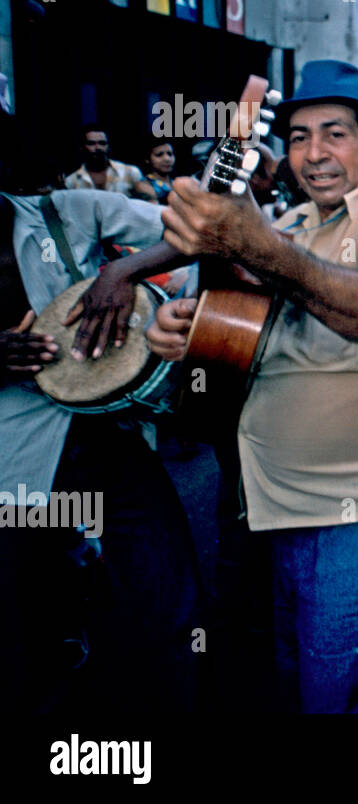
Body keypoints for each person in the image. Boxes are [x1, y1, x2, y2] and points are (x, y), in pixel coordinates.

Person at [145, 59, 358, 713]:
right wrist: (190, 328)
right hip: (287, 511)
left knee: (339, 700)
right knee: (306, 690)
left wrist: (258, 247)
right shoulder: (302, 226)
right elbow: (255, 328)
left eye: (334, 134)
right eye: (299, 136)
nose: (313, 153)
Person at [0, 109, 201, 712]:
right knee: (21, 622)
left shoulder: (69, 212)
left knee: (167, 595)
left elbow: (204, 228)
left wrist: (124, 268)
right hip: (12, 469)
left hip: (103, 443)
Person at [65, 126, 155, 200]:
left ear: (108, 147)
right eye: (91, 143)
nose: (98, 148)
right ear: (82, 148)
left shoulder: (130, 172)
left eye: (102, 143)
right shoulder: (72, 181)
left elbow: (149, 200)